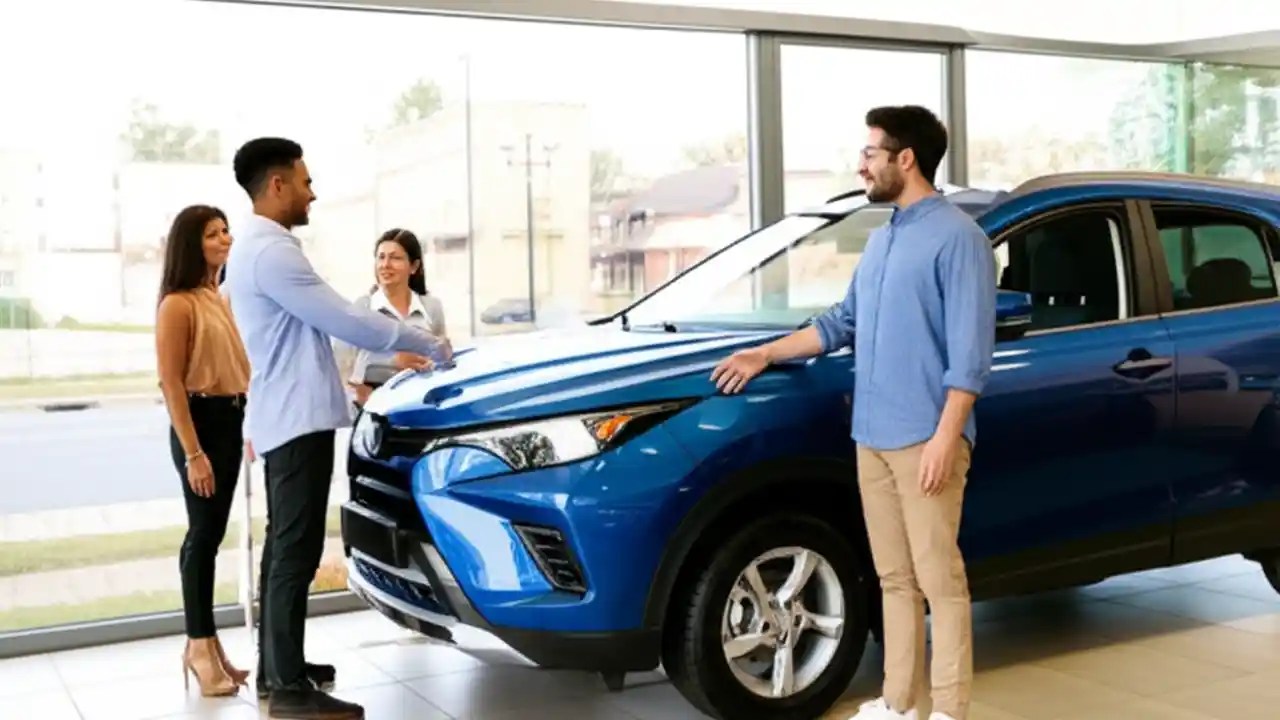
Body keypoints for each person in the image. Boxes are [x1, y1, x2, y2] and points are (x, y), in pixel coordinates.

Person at [710, 105, 995, 720]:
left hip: (927, 437)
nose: (860, 163)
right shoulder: (883, 238)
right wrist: (765, 352)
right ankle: (898, 705)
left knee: (939, 581)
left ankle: (948, 710)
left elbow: (971, 357)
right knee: (893, 579)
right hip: (872, 436)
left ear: (905, 158)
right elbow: (840, 324)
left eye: (870, 153)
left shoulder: (959, 239)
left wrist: (948, 437)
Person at [222, 137, 448, 720]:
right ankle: (289, 691)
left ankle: (281, 669)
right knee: (293, 551)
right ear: (277, 185)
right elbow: (349, 319)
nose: (311, 192)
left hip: (287, 414)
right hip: (296, 419)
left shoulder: (256, 247)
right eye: (304, 181)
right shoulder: (273, 252)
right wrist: (429, 344)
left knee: (284, 548)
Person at [155, 204, 252, 698]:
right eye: (214, 234)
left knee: (211, 536)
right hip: (201, 424)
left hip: (230, 418)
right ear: (192, 244)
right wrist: (195, 453)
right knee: (203, 536)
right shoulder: (178, 303)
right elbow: (171, 383)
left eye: (226, 231)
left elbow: (236, 365)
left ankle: (210, 647)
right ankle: (198, 646)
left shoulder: (216, 296)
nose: (226, 239)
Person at [334, 228, 448, 408]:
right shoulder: (362, 308)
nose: (385, 264)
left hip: (421, 406)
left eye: (395, 258)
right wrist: (392, 362)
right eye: (381, 257)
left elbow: (443, 358)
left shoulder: (432, 307)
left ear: (414, 266)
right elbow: (342, 367)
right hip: (376, 409)